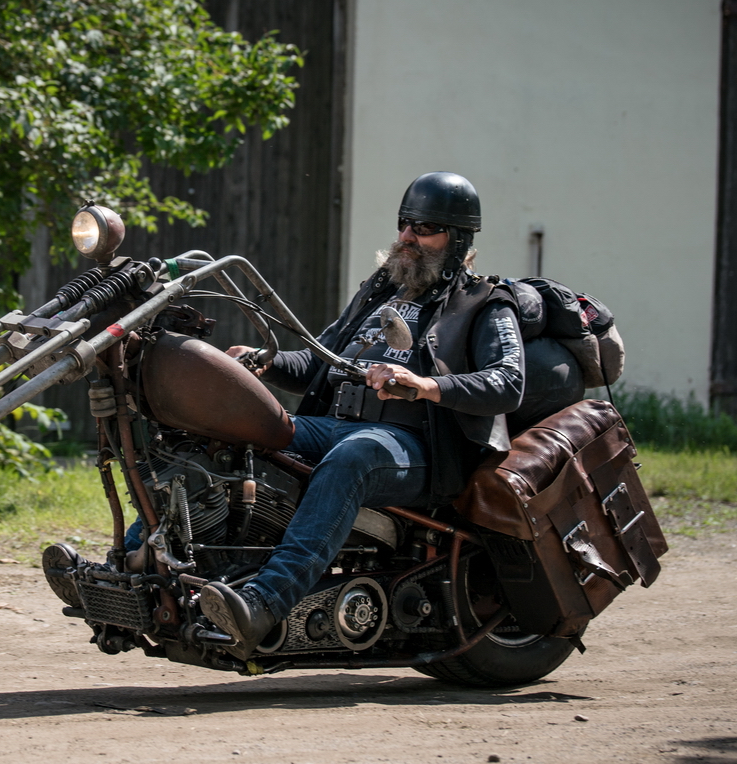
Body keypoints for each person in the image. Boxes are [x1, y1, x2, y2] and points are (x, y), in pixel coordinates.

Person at [198, 171, 525, 656]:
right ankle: (152, 566)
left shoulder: (483, 303)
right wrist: (264, 362)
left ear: (457, 240)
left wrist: (425, 385)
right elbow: (316, 363)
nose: (409, 237)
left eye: (425, 228)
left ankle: (265, 602)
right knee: (238, 428)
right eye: (405, 224)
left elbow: (508, 382)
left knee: (357, 455)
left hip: (417, 447)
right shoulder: (378, 295)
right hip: (339, 425)